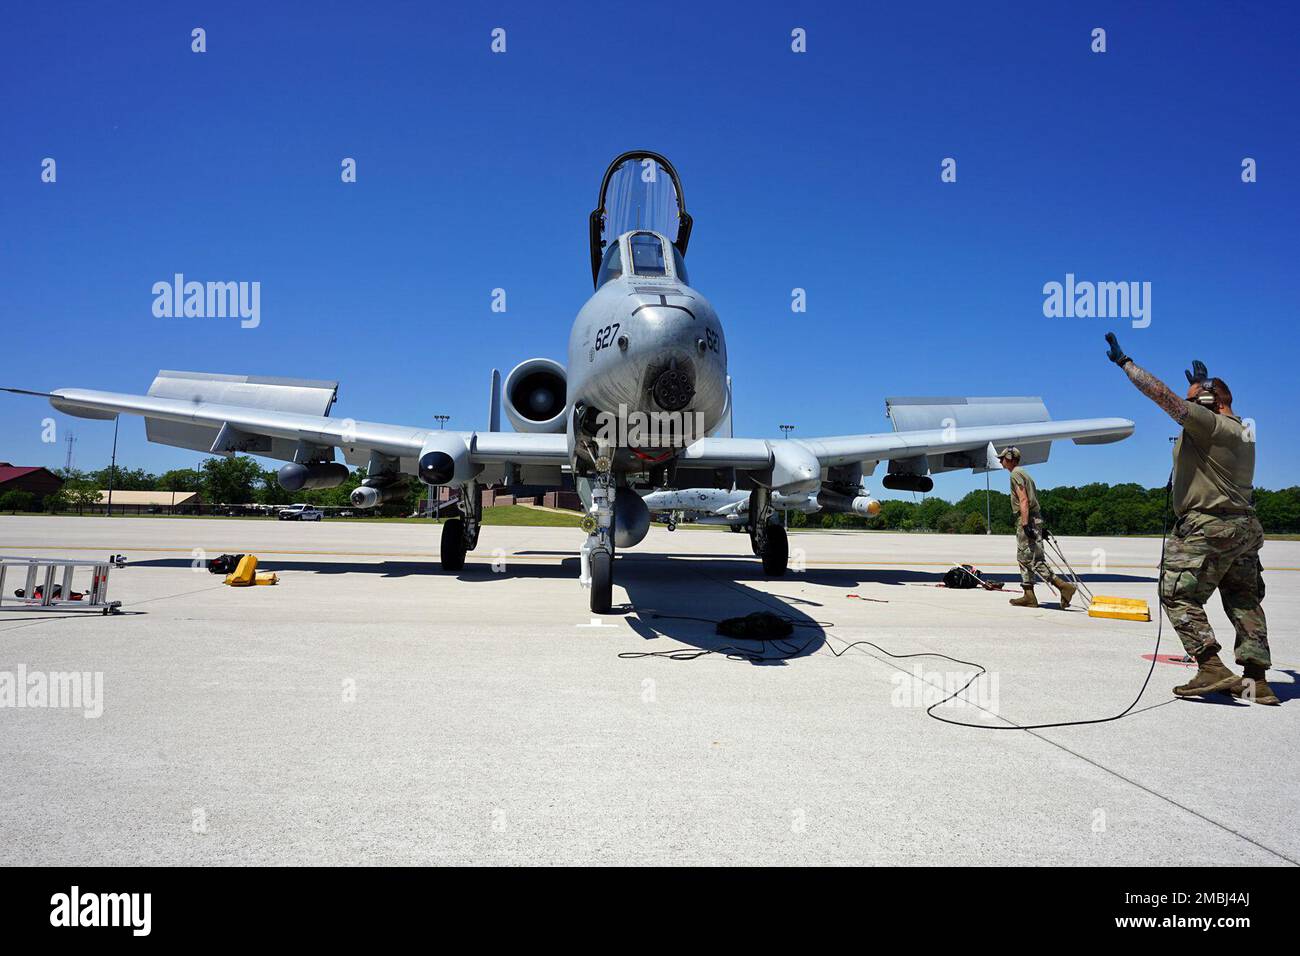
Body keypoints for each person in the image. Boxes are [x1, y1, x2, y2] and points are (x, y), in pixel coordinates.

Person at [1105, 332, 1277, 704]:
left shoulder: (1211, 425)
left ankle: (1210, 665)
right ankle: (1256, 681)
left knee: (1175, 593)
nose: (1187, 413)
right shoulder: (1244, 431)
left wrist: (1126, 364)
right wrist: (1204, 387)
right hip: (1244, 527)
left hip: (1208, 523)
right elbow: (1208, 405)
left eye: (1194, 403)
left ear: (1207, 404)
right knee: (1244, 600)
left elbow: (1162, 397)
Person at [998, 446, 1077, 609]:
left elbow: (1024, 500)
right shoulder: (1024, 474)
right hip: (1033, 518)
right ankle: (1029, 595)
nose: (1001, 461)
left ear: (1011, 458)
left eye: (1003, 458)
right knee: (1023, 557)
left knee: (1033, 559)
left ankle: (1063, 586)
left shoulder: (1016, 474)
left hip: (1027, 518)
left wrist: (1026, 524)